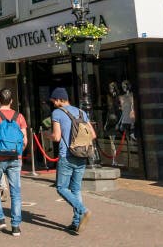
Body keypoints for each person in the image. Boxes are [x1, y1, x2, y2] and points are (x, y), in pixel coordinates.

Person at [50, 87, 96, 234]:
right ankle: (76, 222)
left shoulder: (57, 113)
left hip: (67, 155)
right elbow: (93, 135)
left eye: (53, 100)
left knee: (61, 188)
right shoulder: (82, 112)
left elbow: (57, 137)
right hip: (82, 155)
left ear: (58, 99)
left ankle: (83, 210)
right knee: (76, 189)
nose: (52, 103)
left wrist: (47, 135)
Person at [0, 88, 27, 236]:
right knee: (15, 192)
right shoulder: (19, 116)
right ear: (11, 101)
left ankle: (0, 219)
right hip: (15, 158)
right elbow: (25, 140)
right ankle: (16, 226)